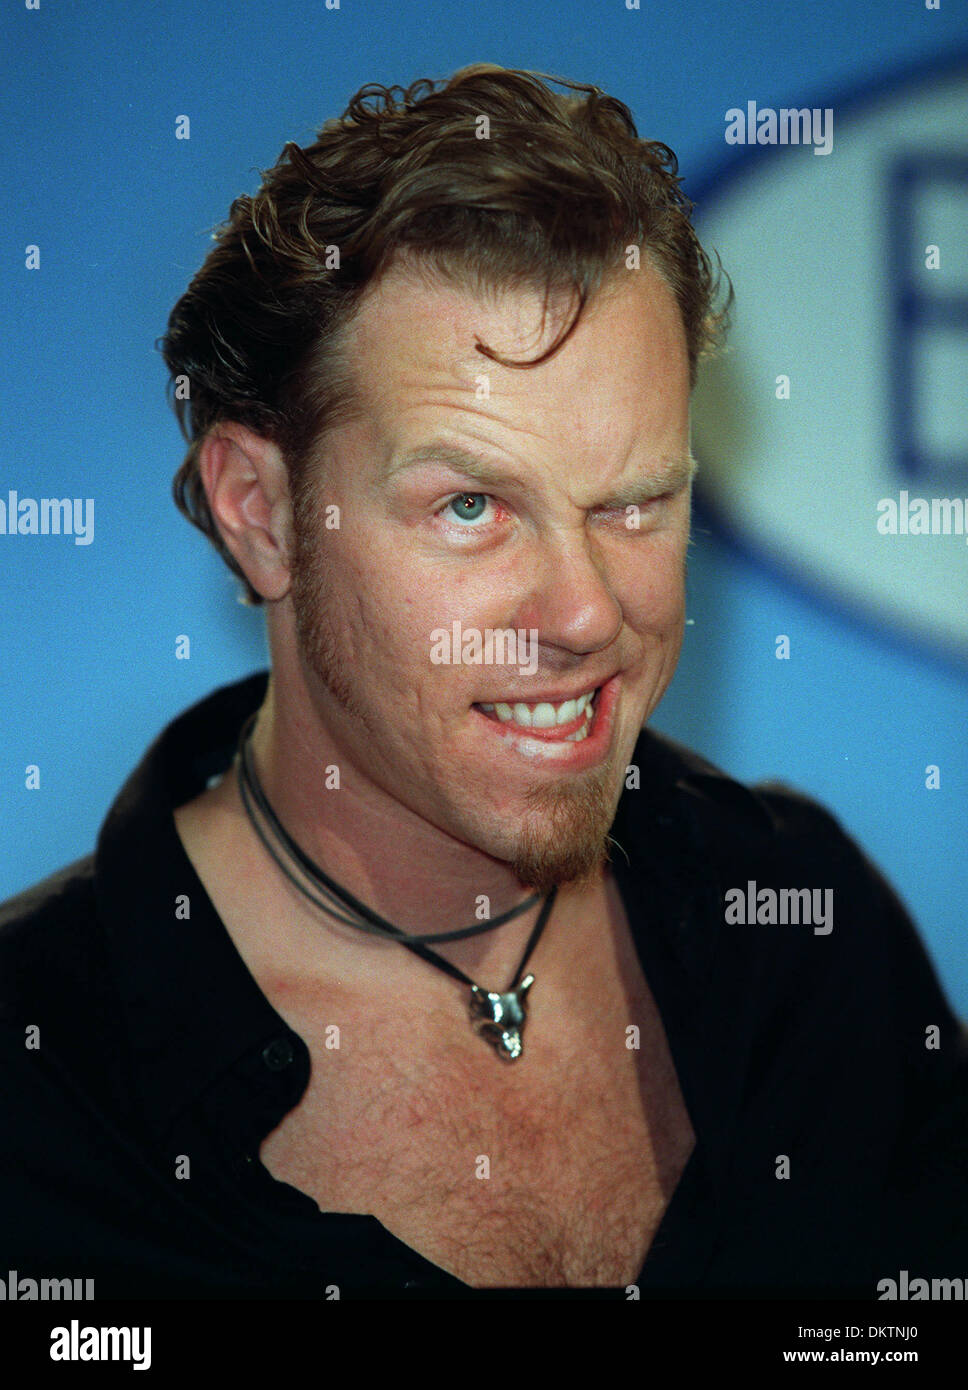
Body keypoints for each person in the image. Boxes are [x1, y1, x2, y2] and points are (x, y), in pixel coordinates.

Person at [1, 64, 965, 1299]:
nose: (586, 613)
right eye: (469, 506)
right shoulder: (34, 1090)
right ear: (263, 514)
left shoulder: (808, 936)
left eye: (633, 503)